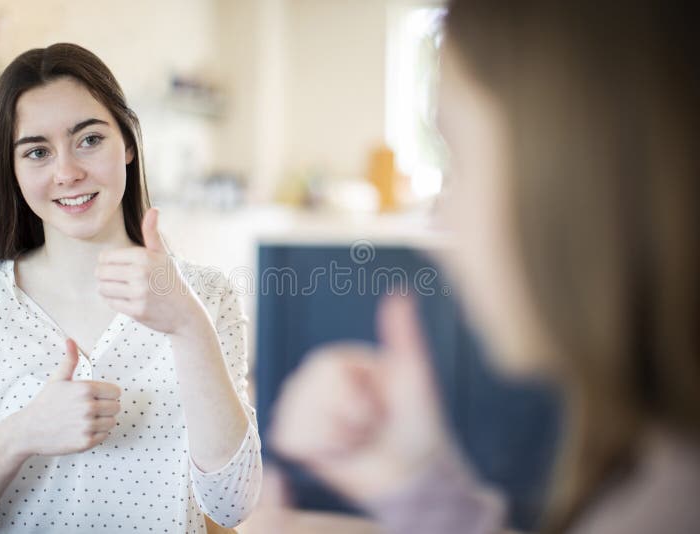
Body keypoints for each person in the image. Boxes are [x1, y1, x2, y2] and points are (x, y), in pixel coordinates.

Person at [270, 1, 700, 533]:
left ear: (590, 171)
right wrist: (416, 488)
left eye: (457, 162)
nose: (437, 230)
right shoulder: (657, 473)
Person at [0, 43, 262, 533]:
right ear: (13, 171)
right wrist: (21, 433)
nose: (67, 172)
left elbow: (233, 506)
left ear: (126, 143)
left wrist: (188, 324)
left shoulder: (205, 295)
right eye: (37, 152)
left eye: (89, 140)